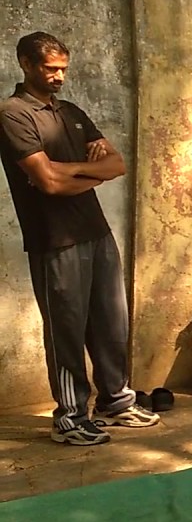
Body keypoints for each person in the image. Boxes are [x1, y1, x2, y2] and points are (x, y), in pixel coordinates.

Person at [0, 32, 159, 445]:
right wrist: (84, 173)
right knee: (67, 328)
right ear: (25, 64)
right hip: (55, 240)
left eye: (63, 70)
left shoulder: (71, 111)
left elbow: (117, 164)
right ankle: (70, 415)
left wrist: (68, 171)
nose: (58, 77)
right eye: (50, 69)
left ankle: (116, 400)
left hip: (97, 231)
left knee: (111, 322)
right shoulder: (14, 114)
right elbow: (46, 182)